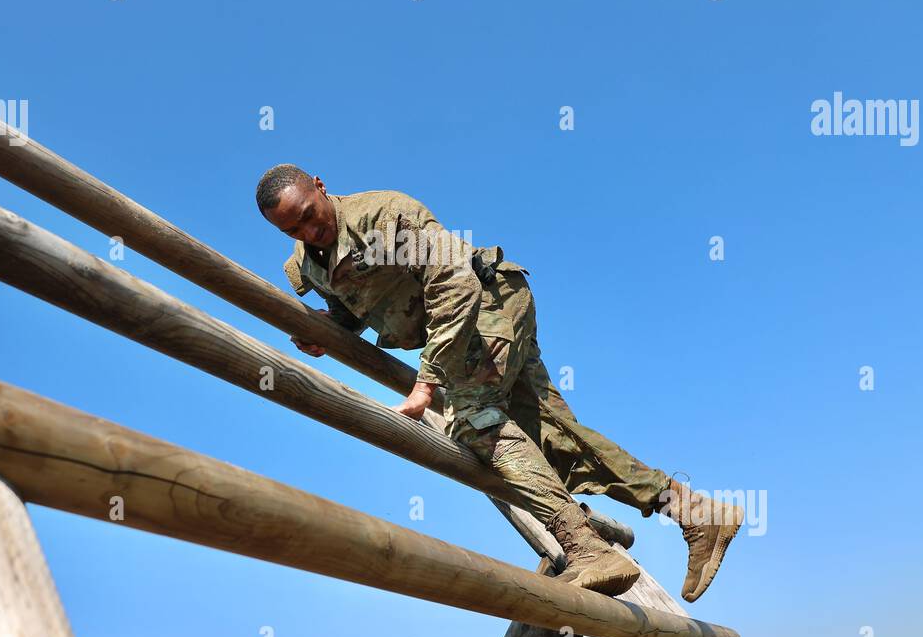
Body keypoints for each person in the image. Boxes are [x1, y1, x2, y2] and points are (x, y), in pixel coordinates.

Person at [256, 164, 743, 599]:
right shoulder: (305, 266)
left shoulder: (386, 216)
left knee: (477, 424)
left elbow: (453, 283)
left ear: (320, 186)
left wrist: (428, 382)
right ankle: (695, 512)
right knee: (550, 442)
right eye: (293, 227)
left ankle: (586, 548)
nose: (310, 229)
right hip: (462, 335)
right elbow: (354, 305)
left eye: (310, 213)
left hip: (489, 304)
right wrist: (330, 331)